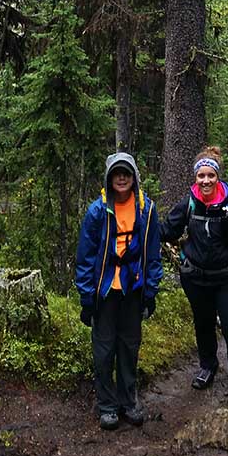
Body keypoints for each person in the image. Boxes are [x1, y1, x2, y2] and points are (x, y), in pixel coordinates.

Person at [76, 152, 162, 431]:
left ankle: (128, 401)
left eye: (126, 173)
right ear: (109, 178)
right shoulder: (97, 212)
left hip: (133, 289)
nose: (122, 178)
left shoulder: (146, 210)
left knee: (129, 347)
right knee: (104, 350)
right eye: (117, 173)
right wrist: (87, 298)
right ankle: (107, 406)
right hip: (105, 291)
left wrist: (150, 292)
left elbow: (153, 253)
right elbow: (85, 257)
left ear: (134, 177)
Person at [160, 146, 228, 401]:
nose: (205, 181)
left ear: (218, 176)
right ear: (195, 177)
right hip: (195, 278)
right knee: (203, 324)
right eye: (201, 176)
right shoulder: (189, 203)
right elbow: (167, 230)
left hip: (226, 279)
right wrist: (142, 222)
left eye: (210, 175)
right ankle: (208, 366)